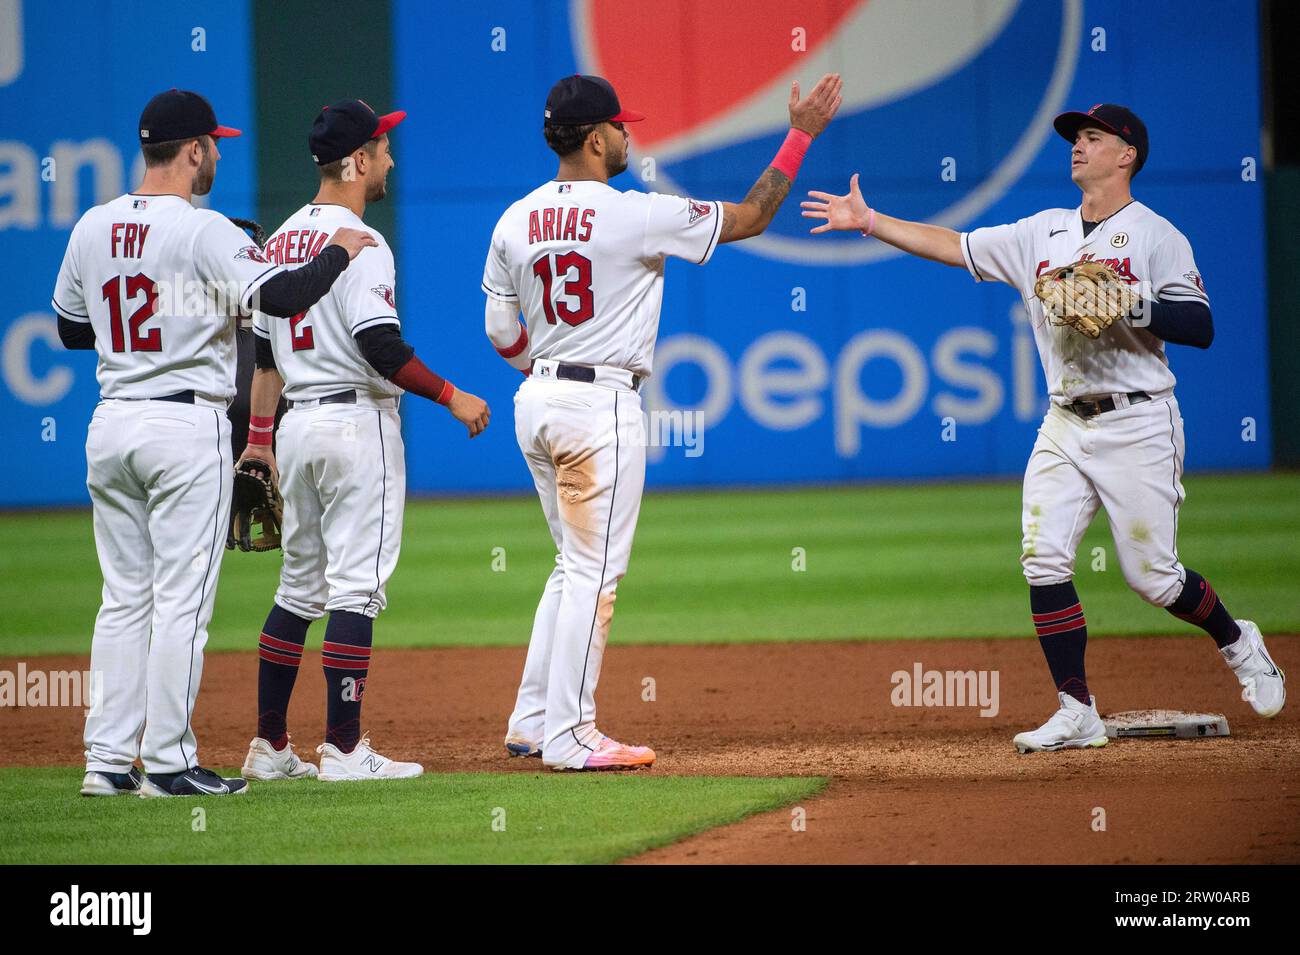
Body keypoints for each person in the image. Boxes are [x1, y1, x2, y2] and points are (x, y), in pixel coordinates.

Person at [802, 103, 1285, 752]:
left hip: (1138, 419)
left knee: (1154, 578)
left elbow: (1200, 326)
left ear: (1127, 154)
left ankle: (1237, 639)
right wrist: (870, 222)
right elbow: (956, 245)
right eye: (1075, 138)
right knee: (1042, 556)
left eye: (1092, 137)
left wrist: (1128, 302)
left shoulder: (1156, 236)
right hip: (1064, 422)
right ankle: (1076, 708)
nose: (1078, 146)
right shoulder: (1043, 232)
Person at [482, 72, 842, 770]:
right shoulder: (634, 213)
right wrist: (799, 134)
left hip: (539, 402)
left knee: (570, 567)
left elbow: (500, 329)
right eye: (618, 126)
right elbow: (752, 216)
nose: (626, 135)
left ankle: (532, 719)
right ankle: (571, 734)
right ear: (593, 139)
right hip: (598, 405)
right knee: (593, 574)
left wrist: (547, 372)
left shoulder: (513, 218)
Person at [53, 89, 374, 797]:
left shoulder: (91, 225)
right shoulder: (203, 231)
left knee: (122, 598)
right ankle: (168, 761)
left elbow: (74, 331)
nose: (219, 154)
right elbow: (285, 298)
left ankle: (106, 765)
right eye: (214, 144)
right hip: (181, 425)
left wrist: (179, 309)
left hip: (112, 424)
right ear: (193, 149)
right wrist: (338, 252)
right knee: (182, 604)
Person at [237, 99, 490, 782]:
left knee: (297, 588)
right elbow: (379, 345)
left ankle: (269, 746)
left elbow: (261, 358)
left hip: (295, 427)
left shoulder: (280, 239)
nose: (390, 159)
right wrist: (450, 394)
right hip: (355, 427)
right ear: (355, 161)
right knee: (356, 590)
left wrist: (259, 442)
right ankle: (345, 749)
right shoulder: (362, 242)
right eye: (381, 148)